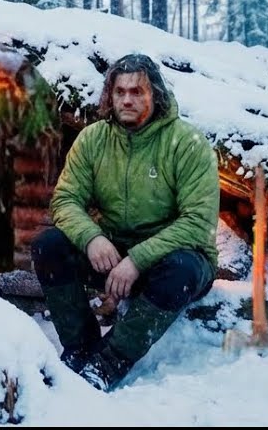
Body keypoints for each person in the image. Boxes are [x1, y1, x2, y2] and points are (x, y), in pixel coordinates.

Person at [31, 53, 219, 392]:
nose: (128, 99)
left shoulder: (187, 143)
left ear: (155, 95)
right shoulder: (93, 139)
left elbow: (197, 222)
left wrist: (138, 259)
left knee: (182, 270)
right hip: (115, 252)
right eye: (120, 92)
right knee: (49, 246)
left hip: (176, 259)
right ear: (110, 95)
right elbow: (66, 199)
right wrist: (92, 238)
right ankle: (80, 346)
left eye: (138, 91)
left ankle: (110, 359)